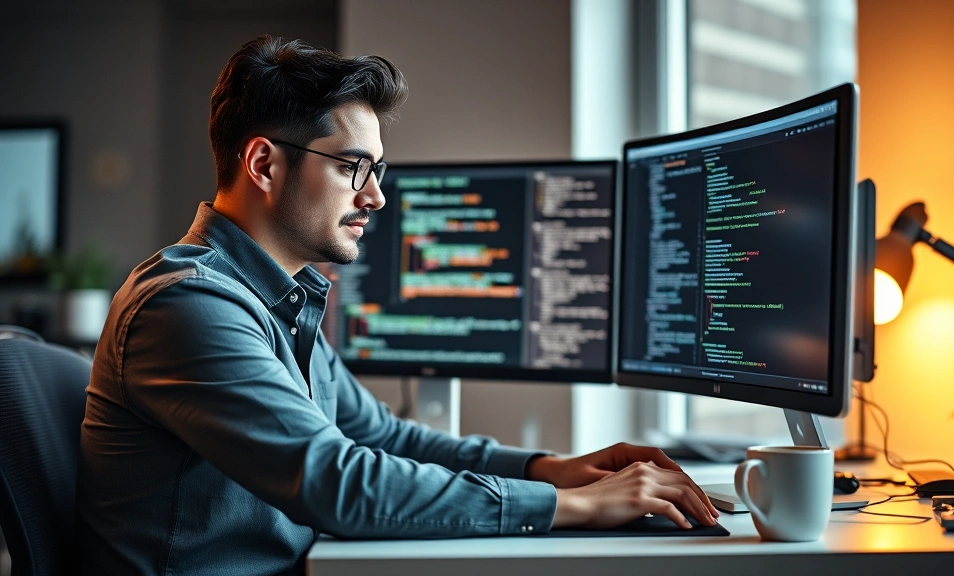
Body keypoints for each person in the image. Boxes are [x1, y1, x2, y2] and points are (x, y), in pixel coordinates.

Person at [76, 34, 718, 576]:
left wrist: (556, 470)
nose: (377, 197)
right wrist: (574, 506)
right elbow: (337, 481)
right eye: (355, 166)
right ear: (264, 165)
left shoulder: (277, 296)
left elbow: (381, 437)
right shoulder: (187, 305)